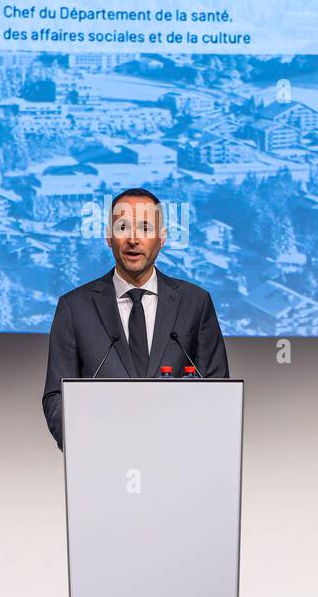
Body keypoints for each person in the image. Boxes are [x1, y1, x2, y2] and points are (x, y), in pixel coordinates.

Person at [42, 187, 229, 449]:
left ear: (162, 237)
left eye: (144, 228)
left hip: (178, 461)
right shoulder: (74, 308)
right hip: (102, 460)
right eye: (122, 227)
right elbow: (55, 397)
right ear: (109, 236)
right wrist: (84, 446)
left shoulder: (195, 303)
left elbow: (218, 391)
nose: (133, 239)